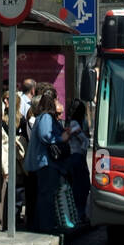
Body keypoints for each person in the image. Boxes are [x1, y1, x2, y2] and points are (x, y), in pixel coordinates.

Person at [24, 88, 68, 233]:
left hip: (44, 163)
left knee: (44, 194)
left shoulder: (42, 117)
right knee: (46, 195)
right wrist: (61, 138)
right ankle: (45, 225)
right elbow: (46, 136)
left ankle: (42, 223)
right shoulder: (46, 118)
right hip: (46, 162)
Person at [64, 98, 91, 222]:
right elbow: (84, 141)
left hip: (74, 156)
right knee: (82, 186)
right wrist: (86, 143)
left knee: (80, 186)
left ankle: (79, 214)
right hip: (77, 156)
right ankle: (80, 214)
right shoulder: (75, 124)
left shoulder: (71, 123)